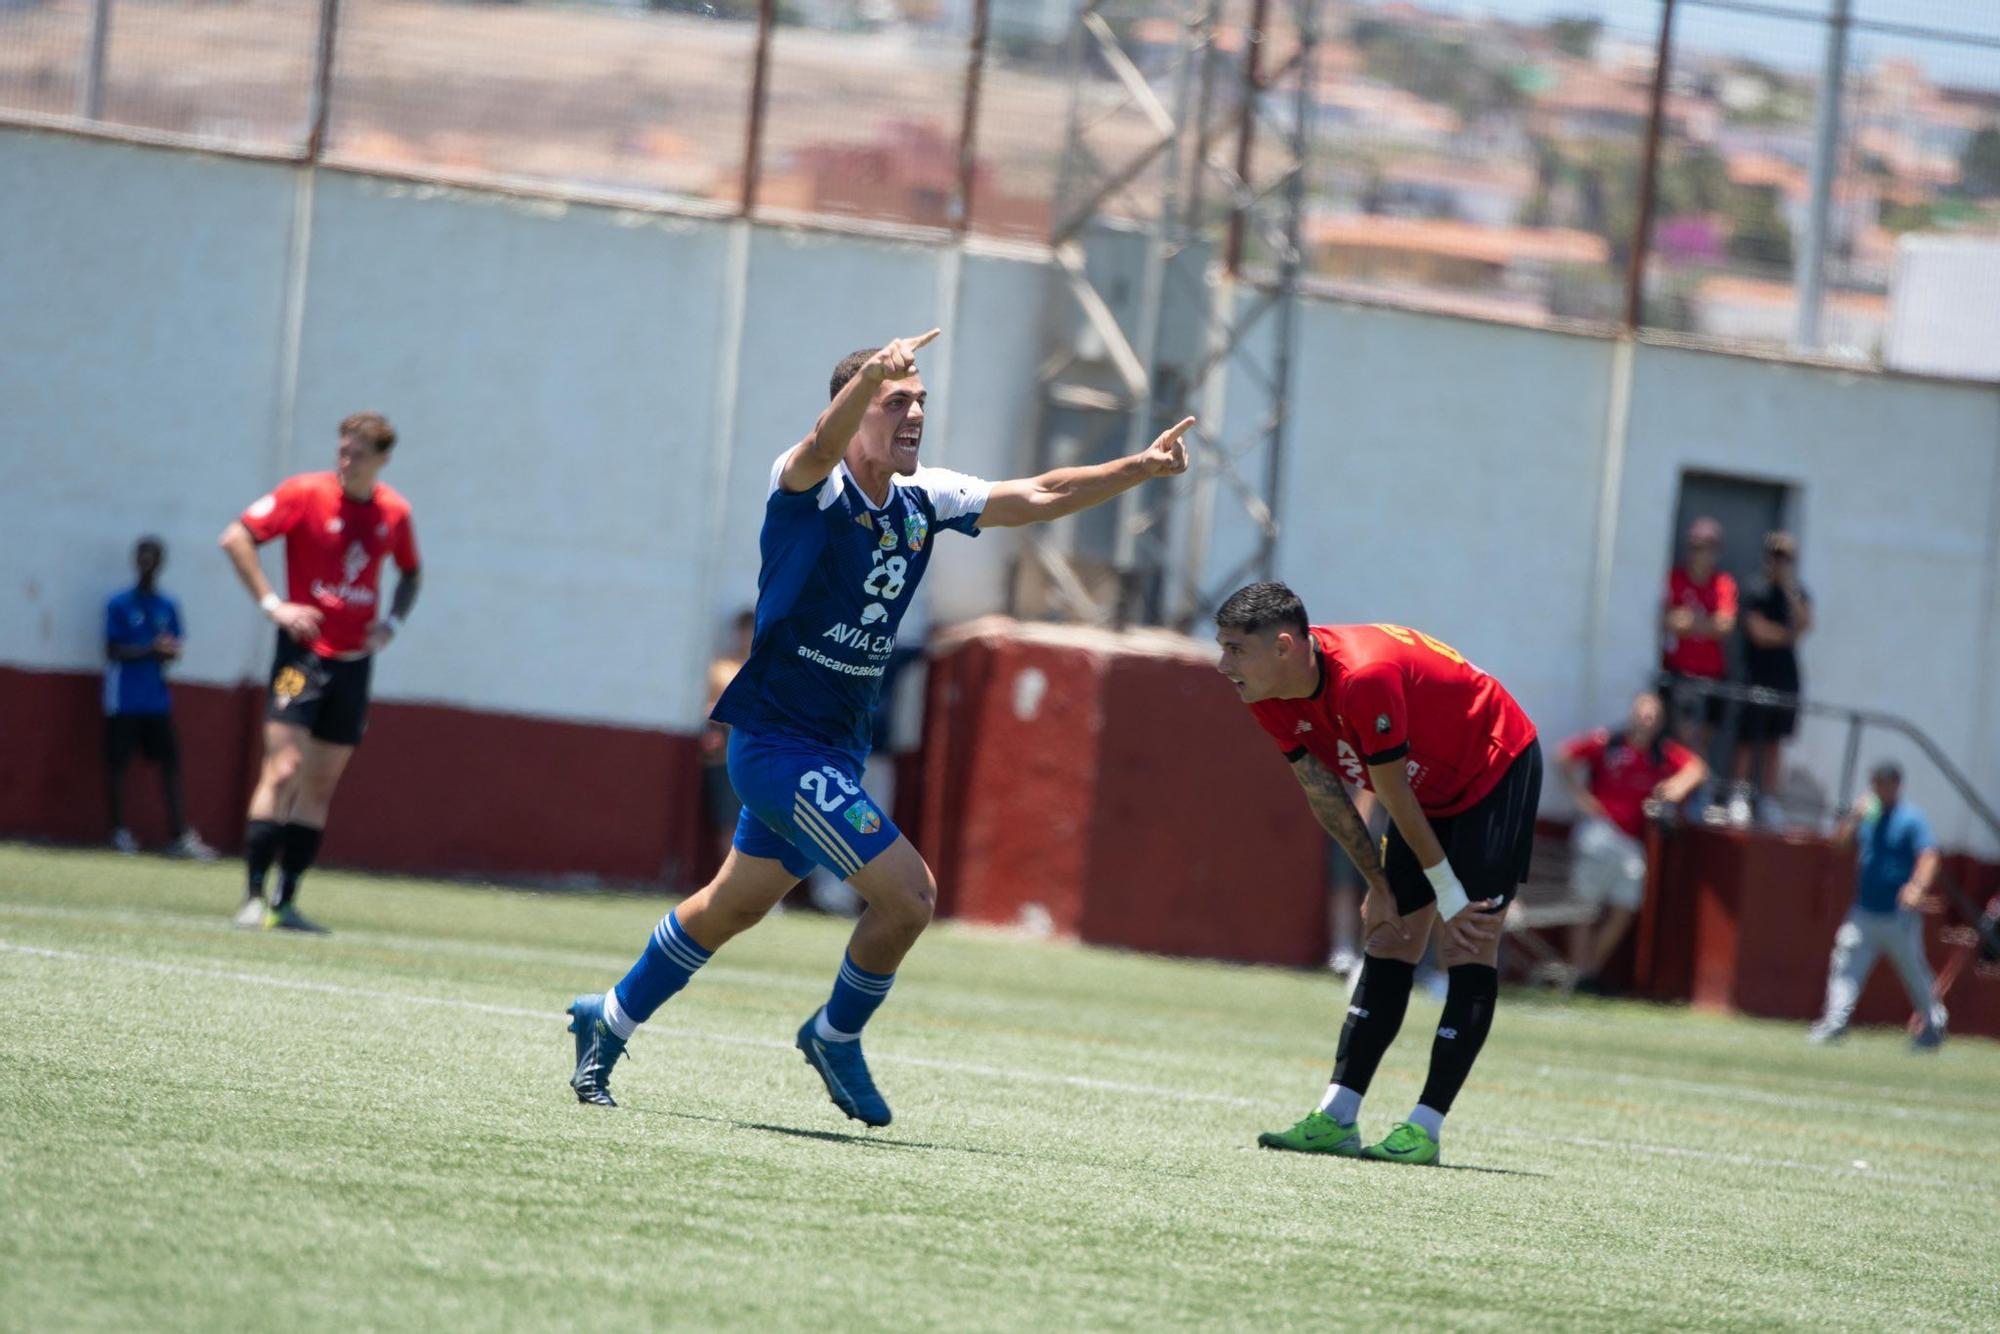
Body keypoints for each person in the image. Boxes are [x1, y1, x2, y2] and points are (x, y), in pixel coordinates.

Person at [564, 330, 1192, 1122]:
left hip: (833, 750)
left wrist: (1137, 468)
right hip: (776, 747)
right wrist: (868, 377)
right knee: (910, 897)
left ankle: (608, 1017)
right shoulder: (811, 488)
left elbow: (1040, 493)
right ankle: (835, 1034)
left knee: (732, 906)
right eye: (898, 401)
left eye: (921, 402)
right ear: (856, 407)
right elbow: (822, 442)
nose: (916, 414)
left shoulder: (925, 499)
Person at [1215, 583, 1540, 1167]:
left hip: (1494, 767)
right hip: (1424, 791)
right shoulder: (1264, 692)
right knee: (1389, 935)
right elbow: (1325, 795)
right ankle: (1337, 1115)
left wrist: (1449, 898)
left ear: (1284, 646)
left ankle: (1425, 1127)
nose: (1223, 665)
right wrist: (1380, 886)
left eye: (1235, 649)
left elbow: (1390, 792)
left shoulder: (1363, 677)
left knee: (1470, 941)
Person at [217, 412, 421, 932]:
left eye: (357, 453)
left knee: (321, 784)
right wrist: (273, 605)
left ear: (381, 460)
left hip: (354, 665)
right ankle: (252, 897)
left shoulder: (394, 512)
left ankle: (286, 903)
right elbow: (235, 537)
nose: (345, 460)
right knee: (282, 768)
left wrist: (391, 624)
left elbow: (411, 573)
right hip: (300, 659)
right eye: (342, 449)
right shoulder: (302, 493)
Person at [1557, 691, 1705, 995]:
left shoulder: (1662, 754)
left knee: (1626, 906)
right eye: (1643, 711)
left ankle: (1590, 970)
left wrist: (1674, 788)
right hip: (1600, 832)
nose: (1647, 719)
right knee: (1584, 906)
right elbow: (1564, 756)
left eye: (1653, 714)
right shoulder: (1608, 743)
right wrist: (1581, 799)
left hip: (1632, 841)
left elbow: (1697, 769)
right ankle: (1579, 972)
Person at [1808, 762, 1948, 1048]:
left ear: (1896, 786)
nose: (1879, 790)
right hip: (1864, 909)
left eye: (1884, 784)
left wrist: (1917, 886)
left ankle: (1934, 1023)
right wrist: (1854, 818)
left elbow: (1929, 855)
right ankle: (1835, 1022)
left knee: (1913, 971)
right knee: (1846, 965)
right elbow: (1841, 845)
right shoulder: (1868, 818)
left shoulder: (1911, 819)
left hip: (1899, 913)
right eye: (1876, 784)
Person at [102, 536, 215, 860]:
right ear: (134, 560)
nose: (147, 562)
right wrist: (151, 649)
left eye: (153, 557)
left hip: (156, 700)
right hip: (123, 699)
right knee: (117, 765)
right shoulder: (119, 604)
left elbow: (174, 650)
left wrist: (166, 651)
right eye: (142, 556)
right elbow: (112, 650)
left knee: (171, 763)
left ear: (161, 562)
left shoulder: (167, 606)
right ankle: (118, 831)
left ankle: (179, 835)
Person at [1733, 530, 1812, 826]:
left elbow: (1806, 623)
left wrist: (1790, 592)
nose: (1781, 562)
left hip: (1785, 676)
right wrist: (1789, 635)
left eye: (1787, 557)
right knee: (1748, 739)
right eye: (1777, 555)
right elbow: (1759, 633)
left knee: (1775, 742)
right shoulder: (1755, 590)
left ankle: (1767, 799)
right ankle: (1738, 795)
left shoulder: (1797, 593)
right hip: (1755, 674)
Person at [1659, 516, 1736, 769]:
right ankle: (1683, 796)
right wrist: (1706, 624)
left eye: (1707, 547)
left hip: (1712, 674)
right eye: (1696, 547)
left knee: (1702, 738)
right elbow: (1668, 619)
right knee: (1681, 737)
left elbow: (1725, 625)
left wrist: (1689, 623)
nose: (1701, 553)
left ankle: (1695, 797)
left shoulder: (1723, 583)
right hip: (1679, 672)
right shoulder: (1675, 577)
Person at [699, 609, 757, 878]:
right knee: (729, 823)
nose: (748, 637)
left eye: (753, 630)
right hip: (725, 755)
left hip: (759, 756)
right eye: (744, 630)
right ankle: (732, 882)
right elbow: (710, 708)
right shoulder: (722, 667)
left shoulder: (766, 667)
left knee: (760, 823)